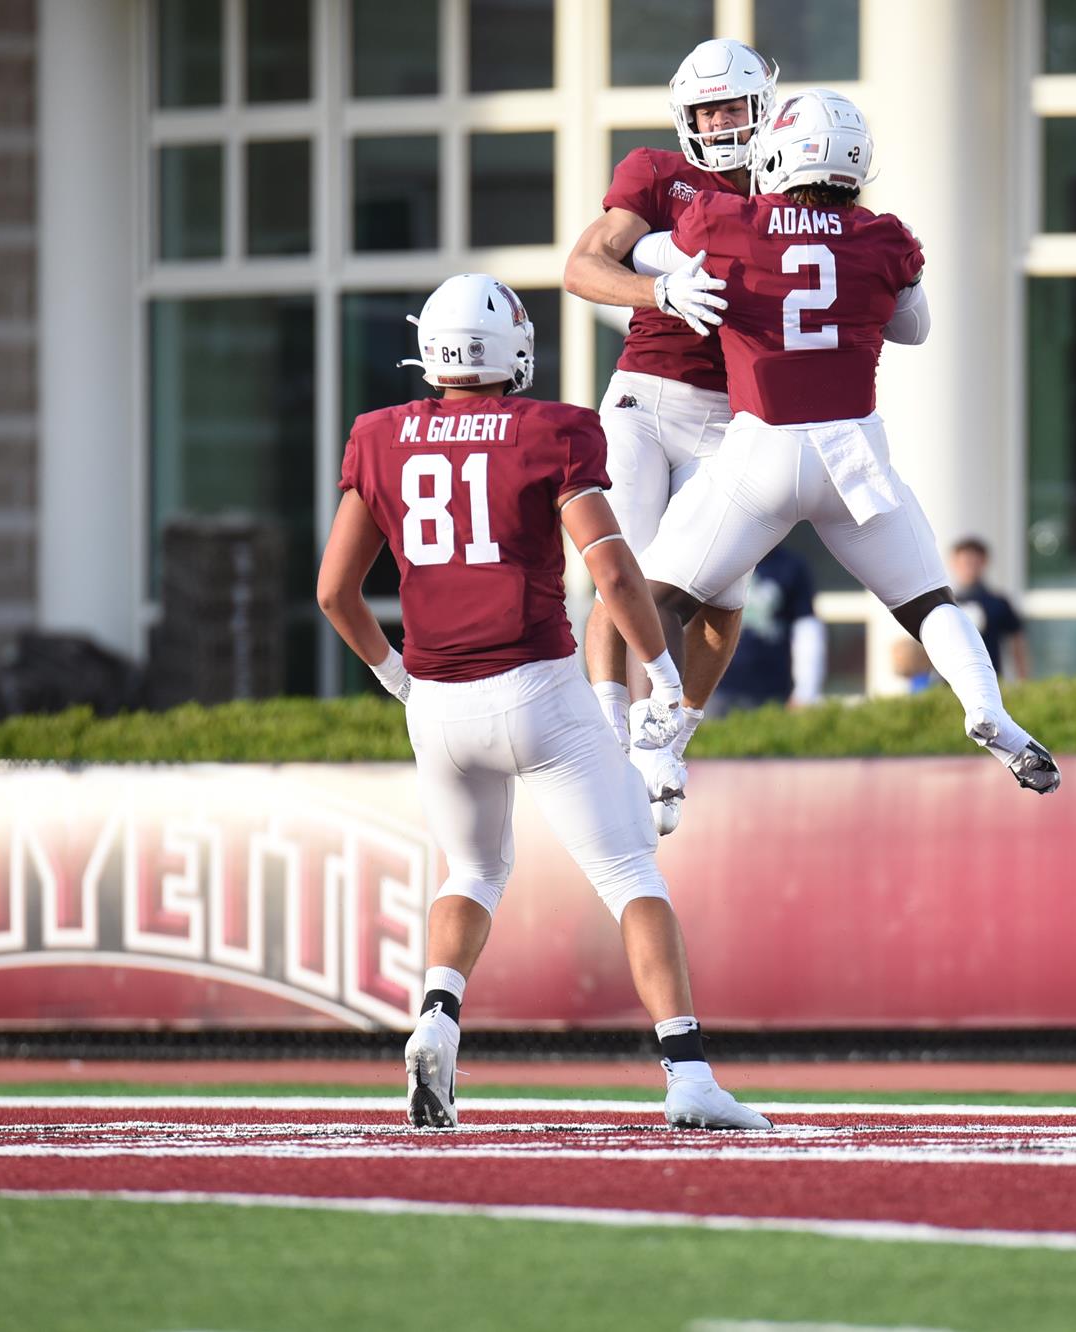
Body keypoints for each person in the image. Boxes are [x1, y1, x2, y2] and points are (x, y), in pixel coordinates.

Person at [315, 273, 768, 1132]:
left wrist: (396, 677)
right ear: (513, 349)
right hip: (535, 690)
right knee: (631, 869)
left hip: (438, 702)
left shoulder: (379, 436)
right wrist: (662, 675)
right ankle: (689, 1074)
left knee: (474, 871)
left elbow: (336, 592)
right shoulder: (552, 429)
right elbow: (610, 570)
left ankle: (438, 1019)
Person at [626, 89, 1060, 796]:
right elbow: (913, 329)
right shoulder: (883, 238)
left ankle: (659, 740)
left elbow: (641, 252)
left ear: (778, 153)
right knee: (929, 604)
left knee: (659, 599)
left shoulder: (728, 220)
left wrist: (680, 277)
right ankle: (990, 712)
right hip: (855, 457)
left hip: (760, 449)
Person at [561, 38, 778, 832]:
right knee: (624, 570)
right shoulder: (656, 174)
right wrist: (659, 287)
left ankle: (669, 738)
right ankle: (606, 731)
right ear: (687, 117)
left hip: (735, 412)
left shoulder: (787, 180)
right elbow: (583, 267)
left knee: (721, 599)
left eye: (734, 106)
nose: (723, 122)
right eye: (709, 109)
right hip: (647, 397)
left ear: (763, 107)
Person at [713, 544, 824, 712]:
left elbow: (807, 629)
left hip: (773, 690)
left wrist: (805, 691)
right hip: (715, 689)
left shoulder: (791, 566)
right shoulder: (717, 563)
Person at [949, 537, 1031, 681]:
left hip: (990, 679)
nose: (969, 567)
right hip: (950, 680)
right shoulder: (946, 604)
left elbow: (1016, 642)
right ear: (954, 563)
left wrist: (1023, 679)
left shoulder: (998, 602)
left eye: (973, 563)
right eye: (965, 563)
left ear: (984, 562)